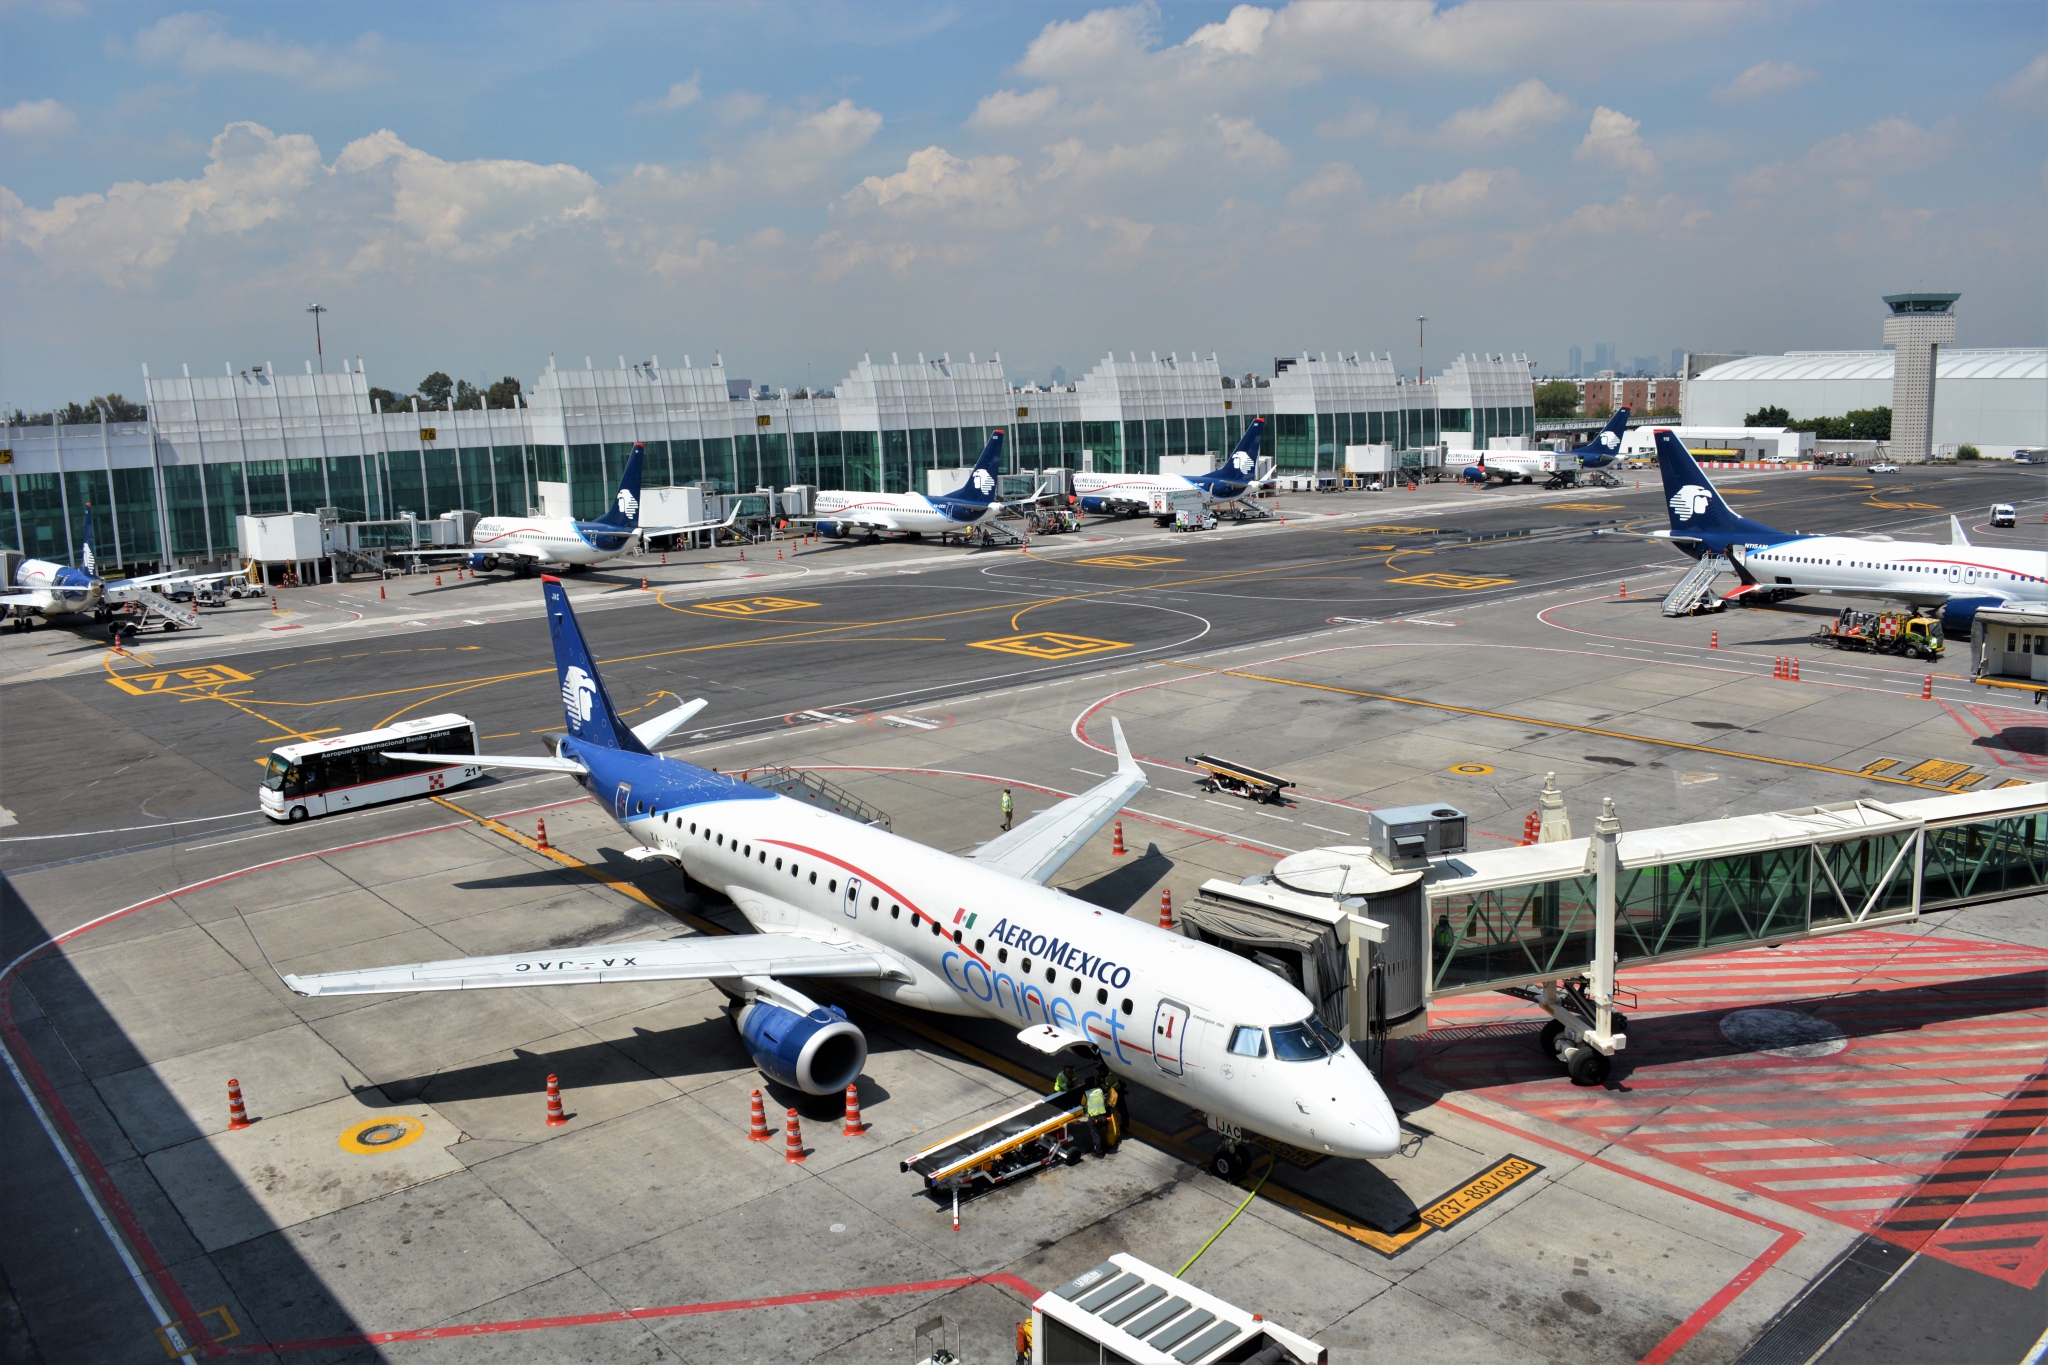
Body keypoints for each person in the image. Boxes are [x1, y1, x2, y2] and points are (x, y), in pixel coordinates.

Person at [1083, 1075, 1109, 1156]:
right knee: (1098, 1133)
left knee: (1096, 1135)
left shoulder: (1086, 1094)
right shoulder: (1099, 1090)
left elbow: (1082, 1103)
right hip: (1103, 1117)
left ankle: (1099, 1152)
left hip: (1094, 1119)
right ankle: (1100, 1145)